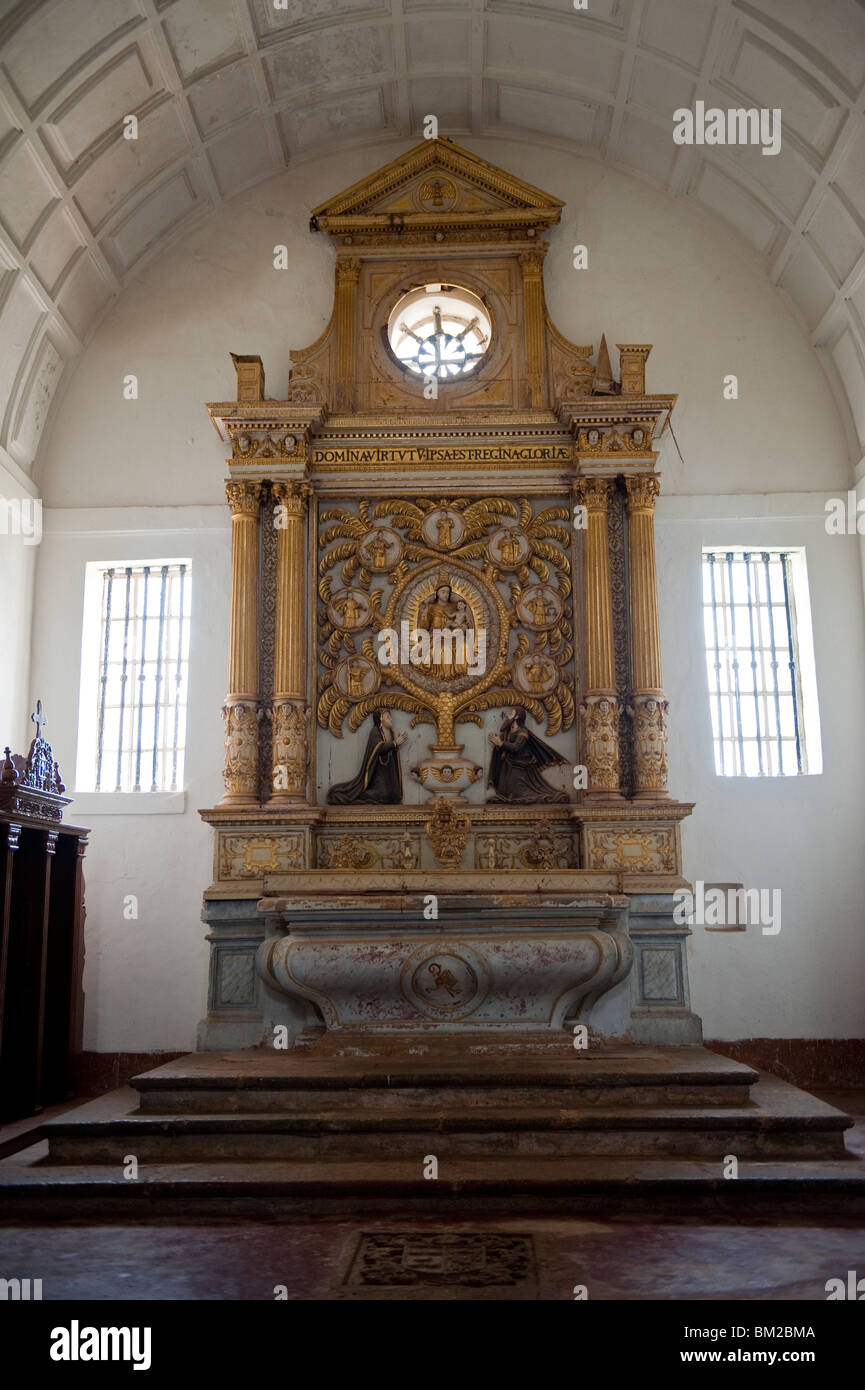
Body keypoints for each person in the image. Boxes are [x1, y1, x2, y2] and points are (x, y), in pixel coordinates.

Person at [487, 706, 568, 804]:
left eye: (511, 713)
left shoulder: (523, 732)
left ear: (516, 717)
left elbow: (516, 747)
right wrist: (497, 745)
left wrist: (501, 743)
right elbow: (503, 749)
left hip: (520, 766)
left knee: (519, 793)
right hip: (507, 767)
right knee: (506, 791)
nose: (507, 715)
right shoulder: (507, 733)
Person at [327, 710, 405, 804]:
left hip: (389, 774)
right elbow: (379, 749)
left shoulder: (390, 733)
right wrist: (395, 743)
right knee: (381, 795)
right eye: (388, 717)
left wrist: (395, 746)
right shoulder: (375, 731)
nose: (391, 719)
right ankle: (346, 796)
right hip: (378, 774)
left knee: (394, 795)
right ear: (381, 719)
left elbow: (390, 753)